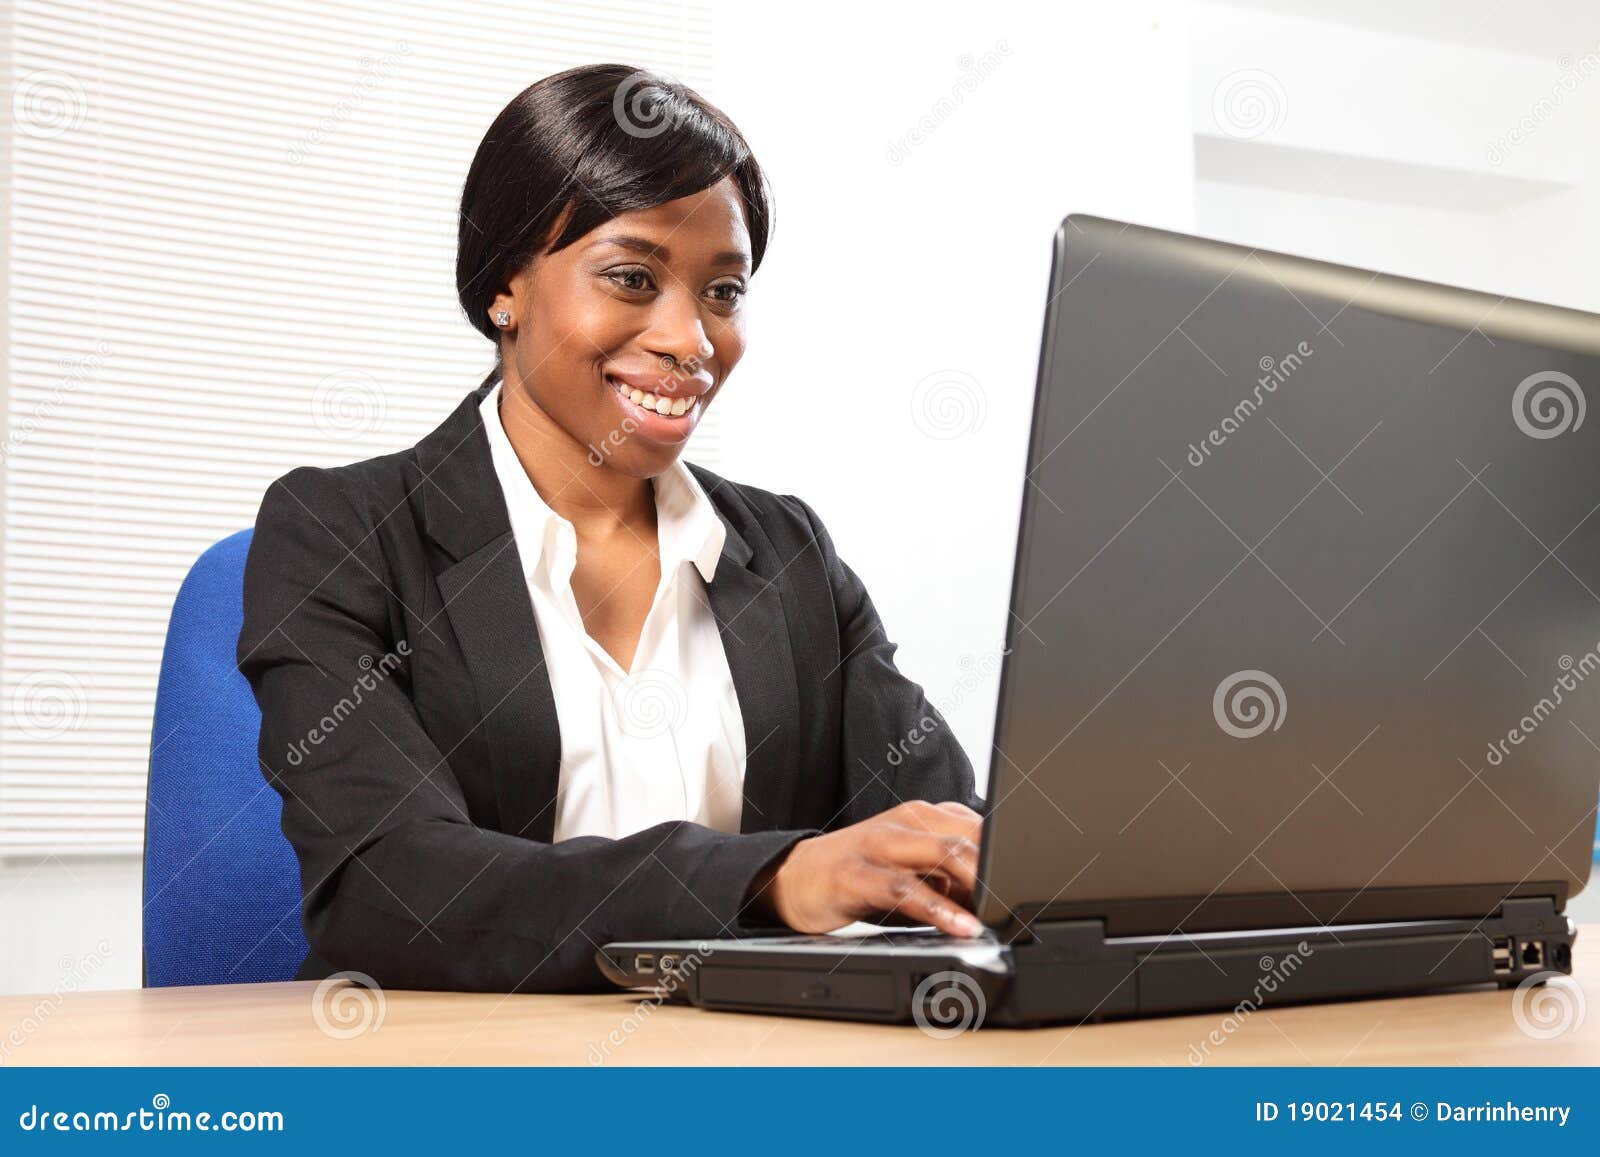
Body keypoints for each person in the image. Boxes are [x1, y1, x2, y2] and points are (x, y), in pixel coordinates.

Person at [237, 63, 984, 993]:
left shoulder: (787, 552)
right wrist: (772, 878)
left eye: (723, 291)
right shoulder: (341, 532)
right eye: (633, 277)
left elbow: (943, 825)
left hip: (748, 1074)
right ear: (505, 285)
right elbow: (387, 884)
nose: (693, 340)